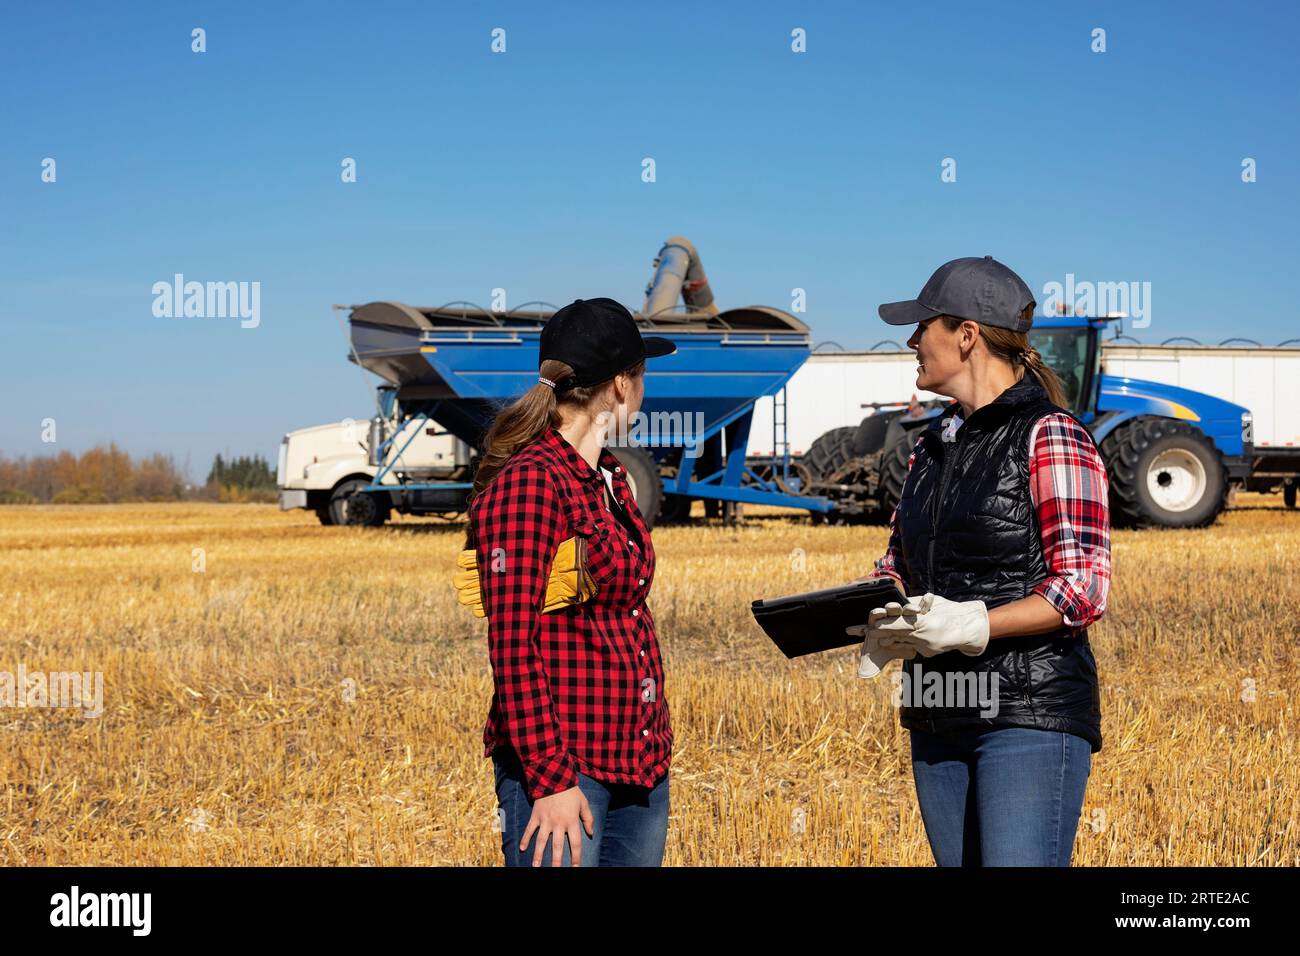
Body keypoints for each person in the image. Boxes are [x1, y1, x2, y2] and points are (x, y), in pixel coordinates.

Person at [848, 256, 1111, 867]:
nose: (913, 341)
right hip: (938, 707)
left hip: (1027, 714)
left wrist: (973, 624)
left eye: (924, 327)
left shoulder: (1051, 435)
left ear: (966, 335)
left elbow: (1081, 588)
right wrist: (873, 605)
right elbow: (899, 563)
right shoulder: (929, 448)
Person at [466, 297, 677, 867]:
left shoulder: (610, 479)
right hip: (567, 766)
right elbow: (512, 645)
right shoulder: (529, 484)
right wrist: (551, 781)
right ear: (619, 387)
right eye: (641, 375)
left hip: (638, 759)